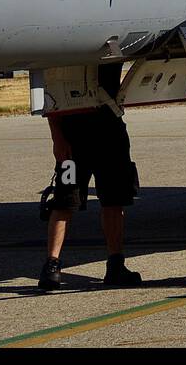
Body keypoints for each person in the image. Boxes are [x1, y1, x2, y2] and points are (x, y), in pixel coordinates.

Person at [38, 66, 142, 290]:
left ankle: (115, 265)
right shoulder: (69, 53)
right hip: (74, 137)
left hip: (109, 132)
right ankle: (51, 266)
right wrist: (57, 138)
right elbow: (53, 95)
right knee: (64, 201)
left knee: (114, 200)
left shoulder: (111, 48)